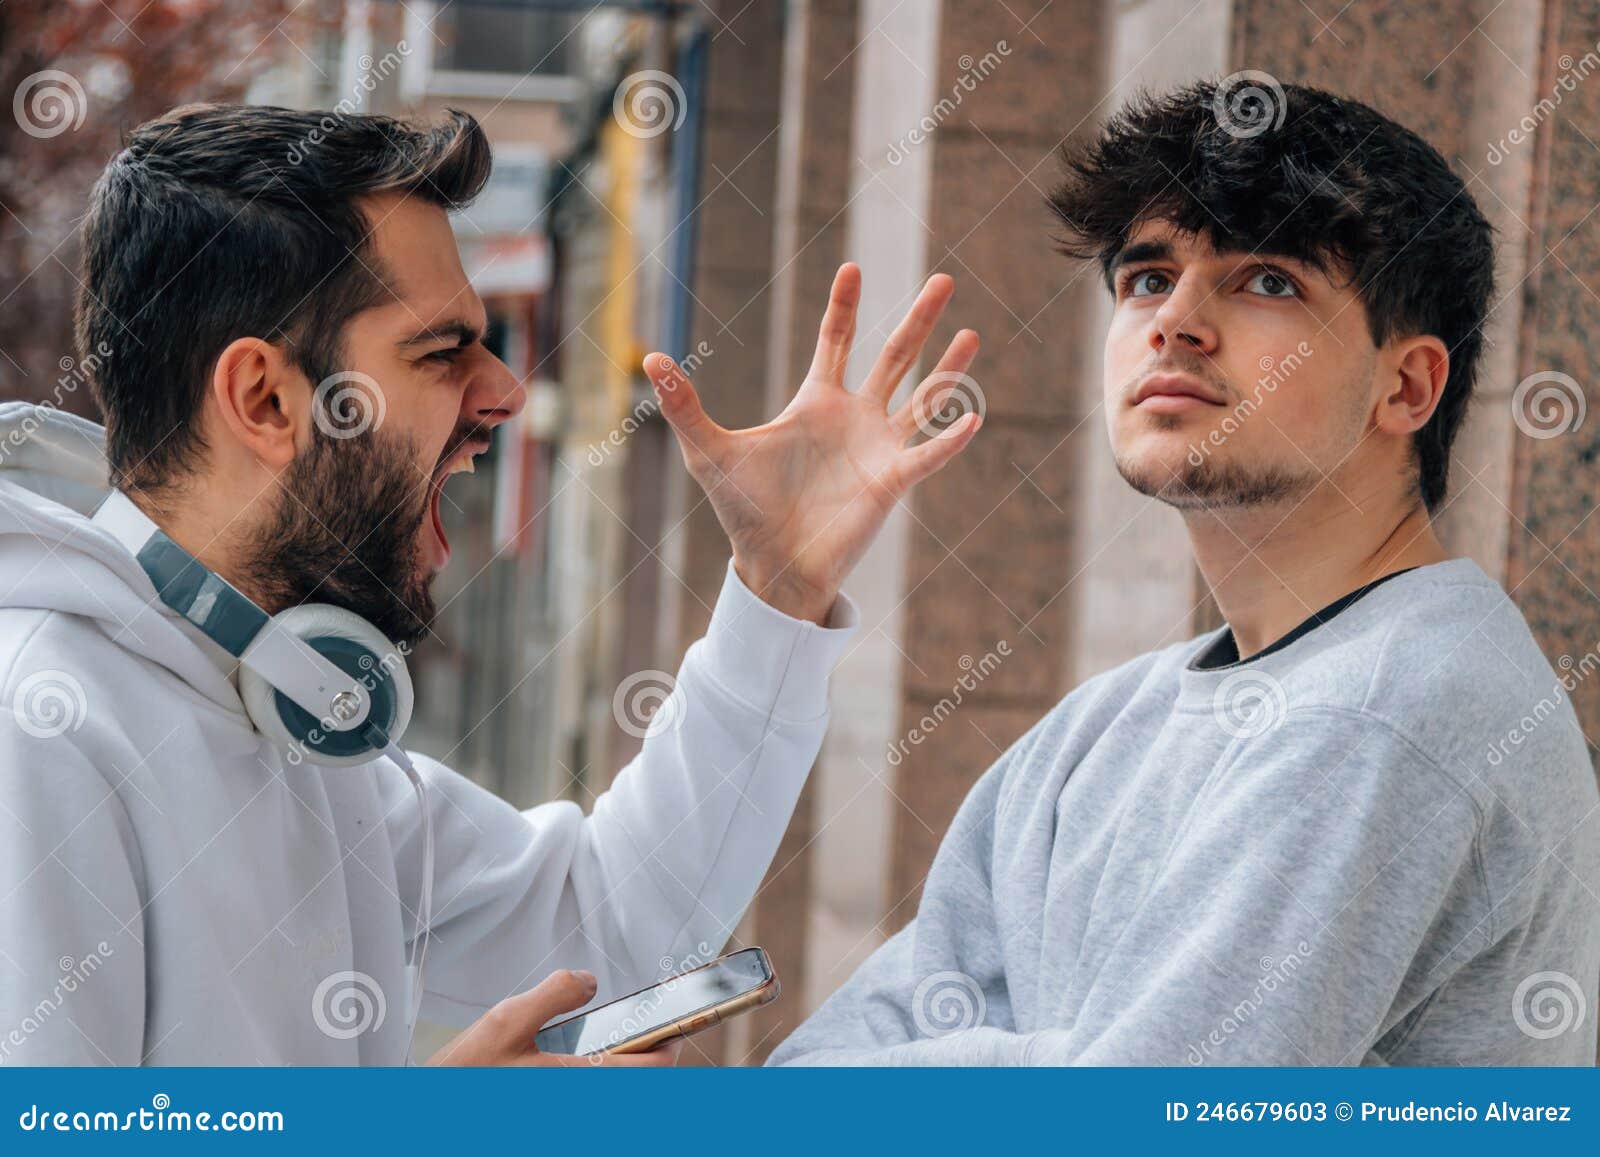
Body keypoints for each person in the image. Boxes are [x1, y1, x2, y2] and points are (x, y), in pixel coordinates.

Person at [0, 104, 982, 1065]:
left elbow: (604, 920)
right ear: (265, 399)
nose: (505, 393)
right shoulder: (39, 733)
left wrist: (779, 582)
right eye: (441, 351)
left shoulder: (286, 715)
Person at [770, 80, 1600, 1066]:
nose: (1177, 322)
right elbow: (806, 1076)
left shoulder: (1392, 709)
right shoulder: (1094, 732)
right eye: (1148, 276)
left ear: (1406, 384)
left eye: (1269, 282)